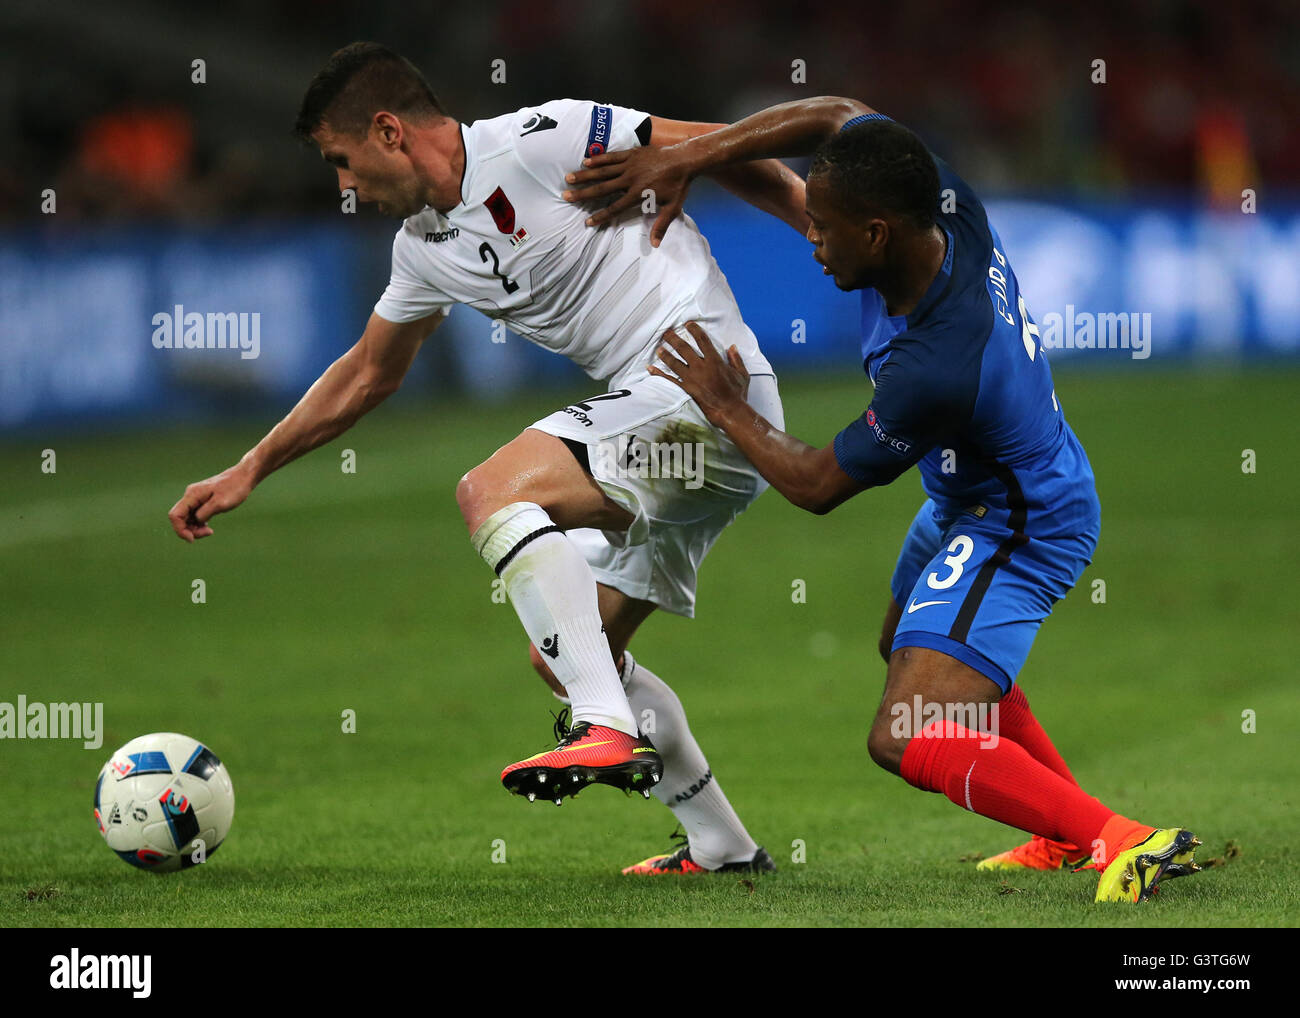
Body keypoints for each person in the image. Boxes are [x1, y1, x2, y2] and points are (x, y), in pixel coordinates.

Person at [167, 42, 811, 875]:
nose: (344, 188)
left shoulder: (546, 140)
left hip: (707, 389)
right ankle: (721, 846)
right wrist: (249, 467)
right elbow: (368, 372)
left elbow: (725, 141)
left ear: (389, 131)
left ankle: (604, 726)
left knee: (492, 490)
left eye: (342, 161)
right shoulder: (423, 248)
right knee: (568, 649)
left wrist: (814, 228)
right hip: (673, 441)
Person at [564, 96, 1201, 902]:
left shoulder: (937, 363)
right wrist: (693, 157)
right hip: (969, 493)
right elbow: (834, 113)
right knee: (907, 643)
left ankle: (1120, 840)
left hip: (1021, 518)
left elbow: (816, 484)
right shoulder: (935, 205)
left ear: (875, 235)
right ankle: (1059, 836)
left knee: (906, 732)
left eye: (824, 228)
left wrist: (725, 405)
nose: (811, 236)